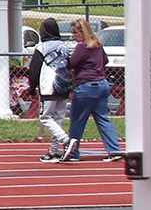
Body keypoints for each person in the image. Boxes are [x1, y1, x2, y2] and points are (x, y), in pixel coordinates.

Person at [66, 18, 124, 161]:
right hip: (101, 84)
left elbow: (71, 63)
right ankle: (115, 150)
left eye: (75, 32)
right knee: (103, 118)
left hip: (86, 86)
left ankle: (73, 152)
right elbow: (104, 61)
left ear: (81, 32)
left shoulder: (81, 46)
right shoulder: (98, 45)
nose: (73, 36)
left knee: (77, 120)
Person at [27, 17, 73, 163]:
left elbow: (34, 70)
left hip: (49, 87)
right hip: (64, 86)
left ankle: (66, 140)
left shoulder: (42, 48)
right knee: (58, 119)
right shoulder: (64, 47)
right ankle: (53, 151)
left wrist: (32, 87)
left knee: (45, 117)